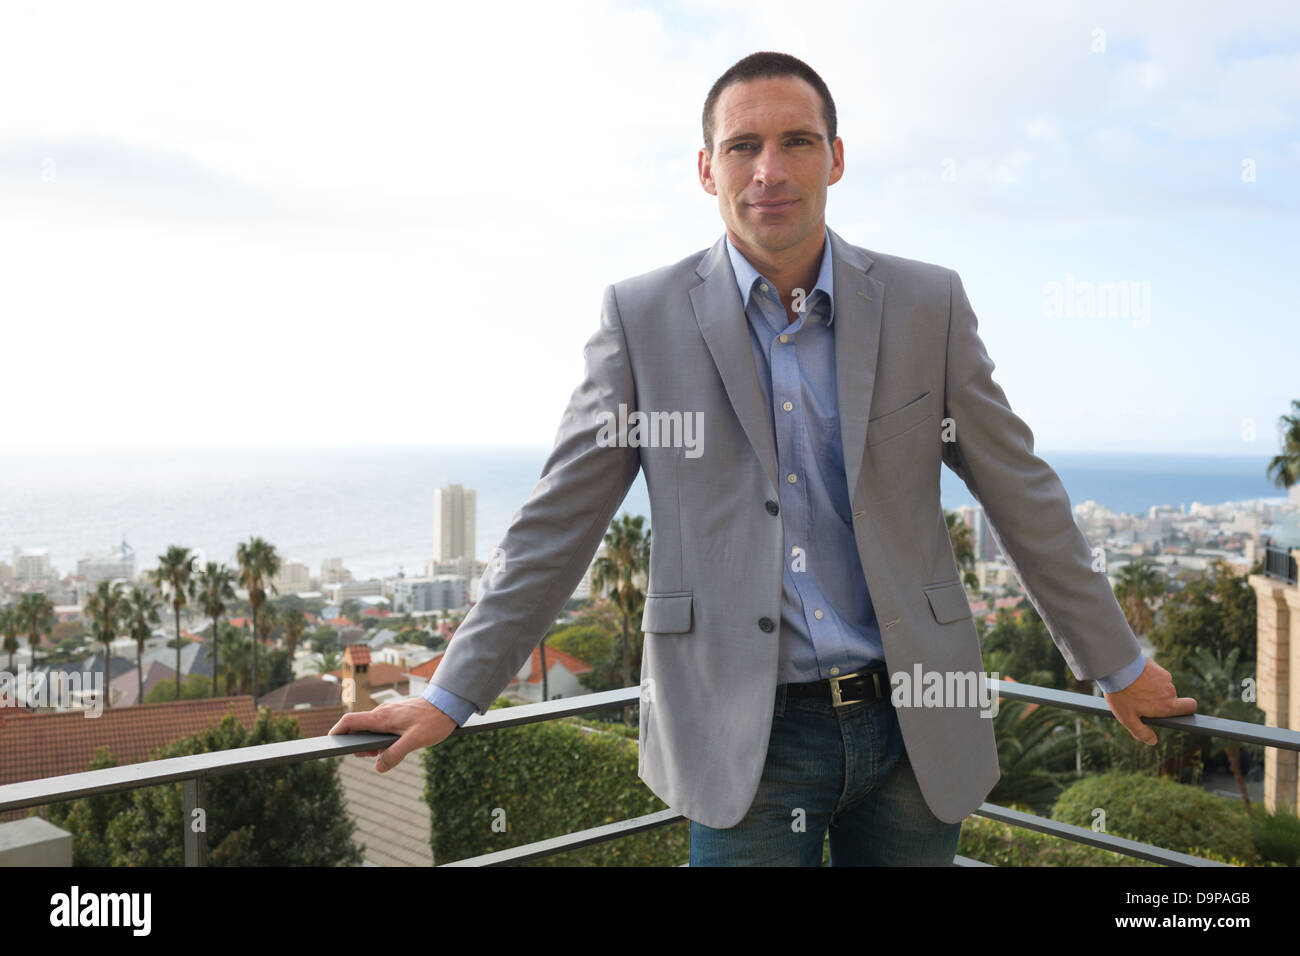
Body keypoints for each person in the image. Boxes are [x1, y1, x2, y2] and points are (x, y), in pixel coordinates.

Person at [329, 51, 1197, 866]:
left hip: (916, 723)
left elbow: (1019, 490)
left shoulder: (926, 303)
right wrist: (453, 693)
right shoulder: (642, 319)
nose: (769, 171)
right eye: (742, 146)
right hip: (741, 736)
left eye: (796, 143)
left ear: (837, 158)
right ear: (707, 169)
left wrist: (1114, 663)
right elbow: (560, 521)